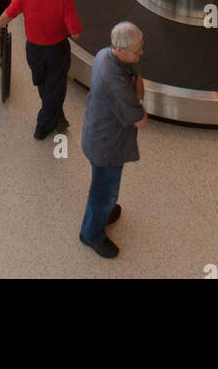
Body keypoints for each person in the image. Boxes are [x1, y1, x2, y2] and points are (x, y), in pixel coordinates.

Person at [0, 0, 82, 139]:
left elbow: (8, 14)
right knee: (55, 86)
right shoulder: (64, 1)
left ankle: (58, 116)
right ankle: (43, 126)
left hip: (33, 50)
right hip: (56, 51)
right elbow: (76, 33)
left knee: (43, 82)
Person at [79, 21, 147, 258]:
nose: (141, 54)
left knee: (101, 186)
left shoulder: (103, 54)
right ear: (120, 50)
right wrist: (139, 93)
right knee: (104, 191)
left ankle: (103, 214)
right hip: (107, 147)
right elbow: (140, 119)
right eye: (137, 51)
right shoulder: (116, 82)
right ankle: (91, 234)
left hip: (97, 134)